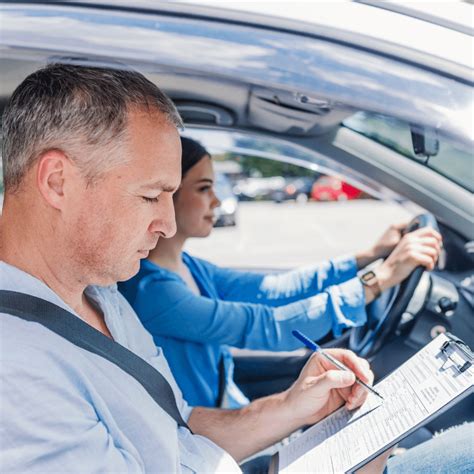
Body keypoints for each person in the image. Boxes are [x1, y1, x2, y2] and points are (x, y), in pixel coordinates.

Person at [1, 63, 469, 474]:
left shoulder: (101, 296)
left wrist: (291, 407)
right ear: (58, 182)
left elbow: (179, 429)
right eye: (150, 196)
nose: (166, 224)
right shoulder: (17, 372)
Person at [119, 136, 442, 408]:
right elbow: (269, 327)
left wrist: (368, 257)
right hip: (202, 431)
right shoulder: (152, 291)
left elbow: (275, 287)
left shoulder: (189, 265)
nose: (217, 201)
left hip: (225, 402)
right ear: (167, 193)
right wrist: (379, 280)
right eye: (204, 189)